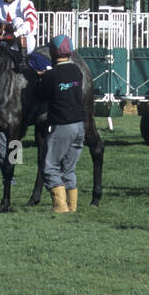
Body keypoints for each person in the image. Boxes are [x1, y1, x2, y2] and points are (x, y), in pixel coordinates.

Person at [40, 35, 87, 212]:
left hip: (62, 125)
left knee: (50, 166)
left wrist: (41, 79)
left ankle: (60, 206)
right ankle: (72, 206)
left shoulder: (51, 75)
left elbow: (41, 96)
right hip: (79, 125)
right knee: (69, 168)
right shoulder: (77, 71)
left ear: (52, 52)